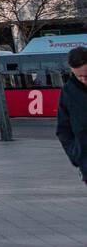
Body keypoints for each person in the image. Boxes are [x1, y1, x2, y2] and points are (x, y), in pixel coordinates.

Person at [55, 45, 87, 187]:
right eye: (79, 76)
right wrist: (76, 155)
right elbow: (63, 129)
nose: (83, 80)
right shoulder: (68, 91)